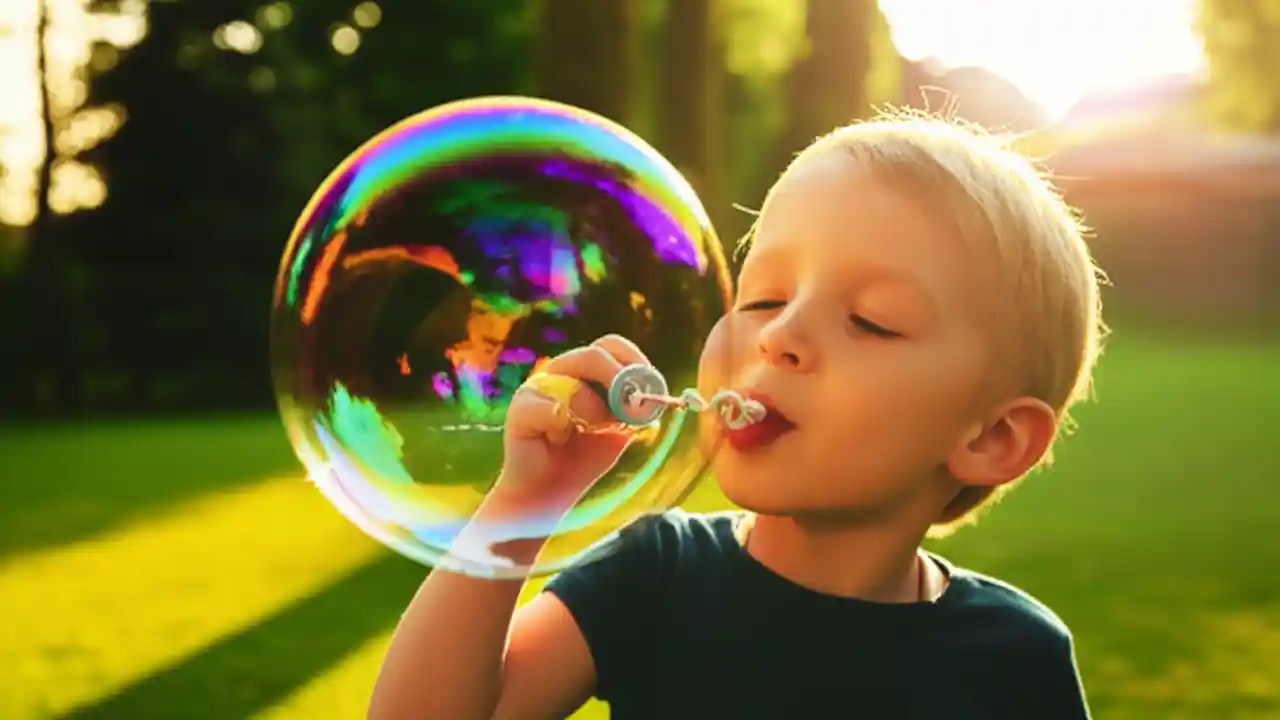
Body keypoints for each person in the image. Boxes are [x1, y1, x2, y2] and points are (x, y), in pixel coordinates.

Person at [368, 109, 1108, 719]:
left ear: (992, 437)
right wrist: (524, 504)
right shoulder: (657, 577)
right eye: (763, 299)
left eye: (872, 320)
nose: (779, 335)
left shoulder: (1015, 658)